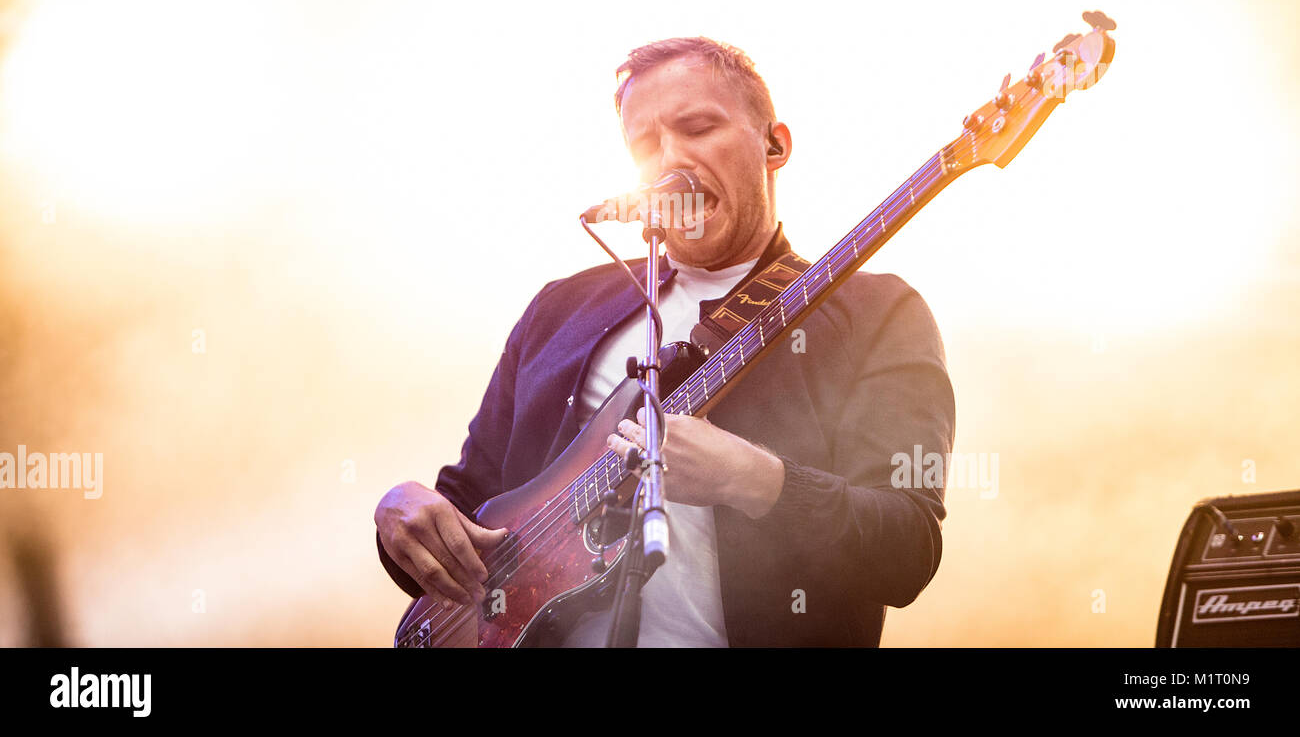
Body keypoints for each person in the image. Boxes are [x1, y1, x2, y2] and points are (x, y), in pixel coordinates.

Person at [374, 37, 956, 646]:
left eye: (698, 127)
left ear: (774, 144)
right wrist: (397, 514)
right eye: (645, 145)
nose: (670, 160)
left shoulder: (875, 312)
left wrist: (755, 480)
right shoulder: (560, 309)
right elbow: (467, 504)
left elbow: (908, 547)